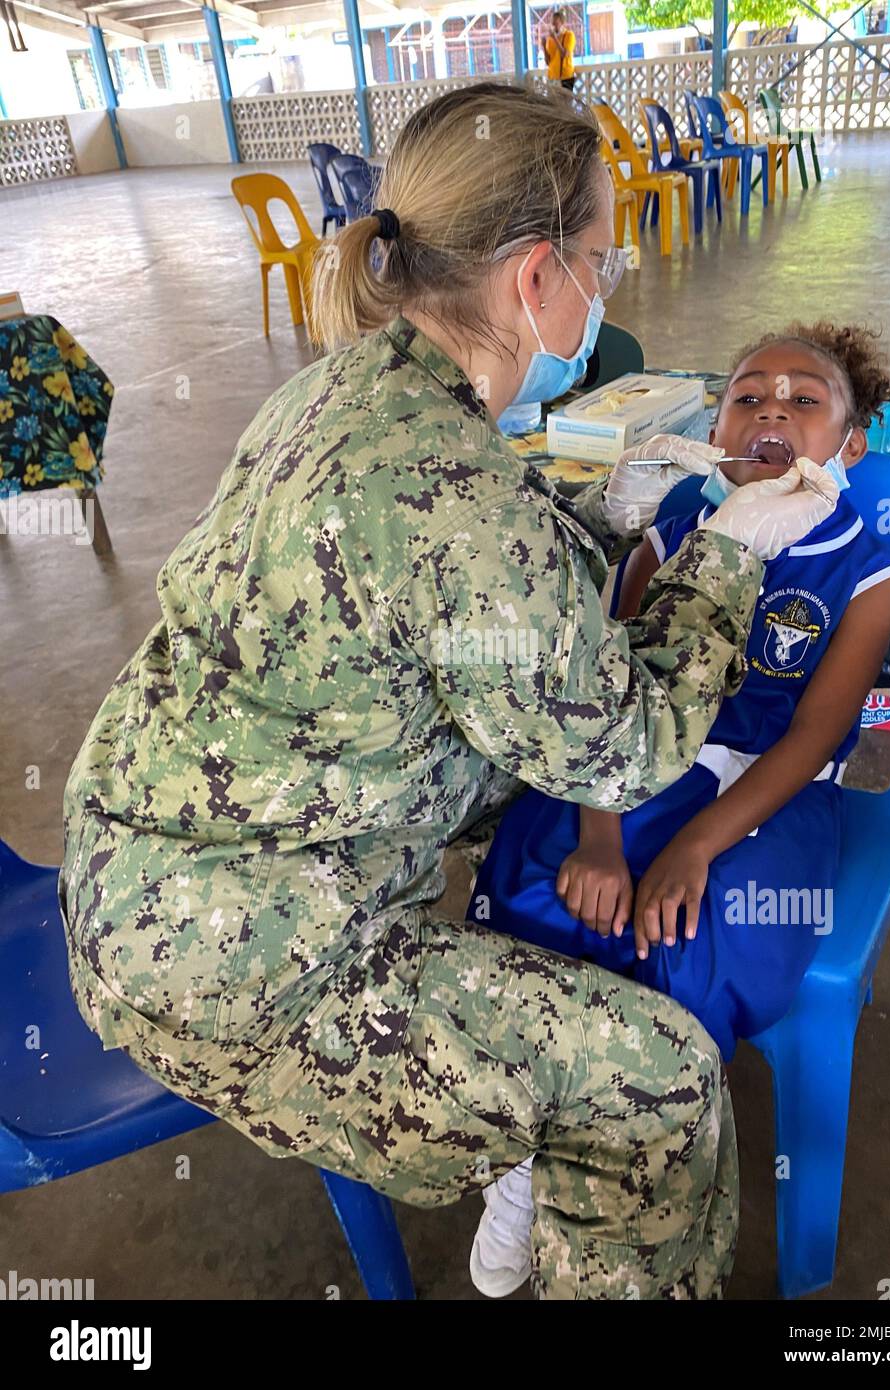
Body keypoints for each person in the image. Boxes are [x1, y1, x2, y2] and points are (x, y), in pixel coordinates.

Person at [58, 84, 833, 1301]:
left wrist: (593, 515)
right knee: (658, 1083)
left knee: (532, 850)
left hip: (153, 865)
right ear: (536, 280)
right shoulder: (452, 484)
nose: (607, 288)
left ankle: (526, 1162)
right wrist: (729, 543)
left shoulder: (344, 391)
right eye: (602, 260)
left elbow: (451, 591)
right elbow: (623, 751)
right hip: (235, 961)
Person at [467, 323, 890, 1295]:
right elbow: (605, 684)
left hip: (774, 795)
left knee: (704, 928)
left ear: (852, 444)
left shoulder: (873, 567)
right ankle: (526, 1160)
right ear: (714, 426)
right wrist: (598, 833)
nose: (772, 412)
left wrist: (699, 846)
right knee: (542, 879)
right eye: (748, 395)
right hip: (639, 754)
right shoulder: (676, 521)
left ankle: (613, 1136)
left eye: (805, 400)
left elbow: (810, 739)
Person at [544, 10, 577, 92]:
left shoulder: (569, 35)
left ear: (562, 23)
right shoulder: (549, 39)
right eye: (552, 23)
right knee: (554, 103)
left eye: (556, 23)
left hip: (566, 76)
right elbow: (548, 62)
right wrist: (544, 46)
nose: (554, 26)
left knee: (566, 103)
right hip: (552, 76)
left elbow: (564, 54)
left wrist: (555, 38)